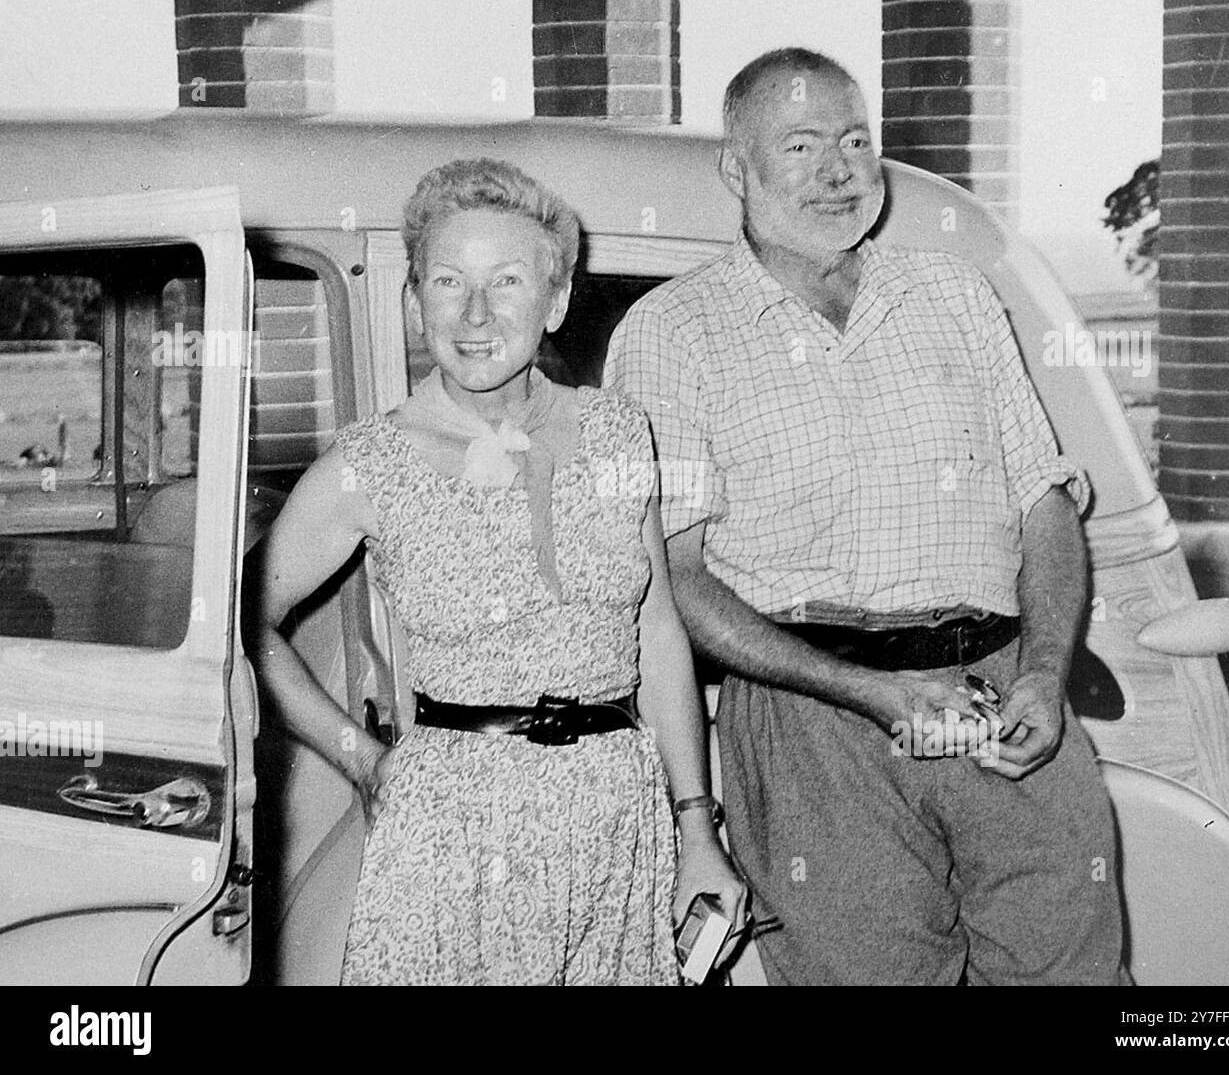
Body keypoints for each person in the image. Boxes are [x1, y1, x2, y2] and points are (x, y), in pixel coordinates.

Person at [605, 48, 1124, 985]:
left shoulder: (957, 297)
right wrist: (876, 696)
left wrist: (1045, 674)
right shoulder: (671, 332)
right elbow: (676, 581)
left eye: (855, 141)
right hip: (815, 729)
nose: (840, 172)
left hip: (1003, 696)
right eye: (801, 146)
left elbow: (1042, 501)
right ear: (738, 170)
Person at [248, 158, 744, 985]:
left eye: (507, 281)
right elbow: (245, 620)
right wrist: (361, 756)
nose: (475, 313)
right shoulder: (369, 464)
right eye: (448, 282)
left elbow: (655, 628)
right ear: (414, 303)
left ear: (554, 301)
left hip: (615, 814)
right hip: (455, 828)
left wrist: (696, 826)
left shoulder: (619, 433)